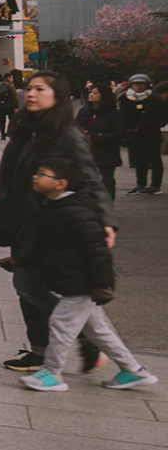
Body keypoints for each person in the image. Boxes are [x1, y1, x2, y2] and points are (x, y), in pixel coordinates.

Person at [0, 72, 107, 374]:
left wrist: (106, 224)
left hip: (53, 224)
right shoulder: (28, 128)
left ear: (58, 97)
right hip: (25, 222)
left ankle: (81, 341)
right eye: (29, 88)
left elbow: (93, 182)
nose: (30, 94)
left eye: (39, 89)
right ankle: (46, 348)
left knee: (29, 284)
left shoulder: (68, 135)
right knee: (28, 286)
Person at [13, 156, 155, 392]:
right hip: (75, 281)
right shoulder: (53, 207)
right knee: (98, 330)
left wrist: (102, 285)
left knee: (60, 324)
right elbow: (46, 247)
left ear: (60, 184)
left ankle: (52, 374)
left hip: (82, 284)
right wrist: (20, 260)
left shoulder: (76, 212)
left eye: (42, 174)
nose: (35, 177)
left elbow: (98, 252)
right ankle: (133, 370)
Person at [76, 81, 125, 204]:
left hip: (107, 150)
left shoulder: (114, 113)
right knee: (87, 180)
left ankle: (107, 204)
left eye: (95, 93)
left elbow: (119, 132)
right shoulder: (84, 111)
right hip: (87, 150)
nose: (91, 95)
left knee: (106, 180)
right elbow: (76, 126)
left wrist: (100, 136)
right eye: (91, 92)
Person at [118, 74, 165, 195]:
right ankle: (140, 184)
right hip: (134, 134)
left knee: (155, 160)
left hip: (151, 134)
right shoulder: (125, 98)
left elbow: (163, 116)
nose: (138, 86)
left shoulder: (154, 98)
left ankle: (155, 185)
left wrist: (154, 124)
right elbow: (122, 115)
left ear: (147, 85)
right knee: (139, 161)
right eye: (136, 84)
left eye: (141, 84)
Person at [0, 74, 17, 140]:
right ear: (8, 78)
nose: (12, 79)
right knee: (12, 120)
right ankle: (10, 133)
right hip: (10, 106)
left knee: (2, 121)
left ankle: (2, 135)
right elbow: (14, 97)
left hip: (0, 106)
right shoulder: (10, 85)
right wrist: (16, 106)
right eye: (11, 78)